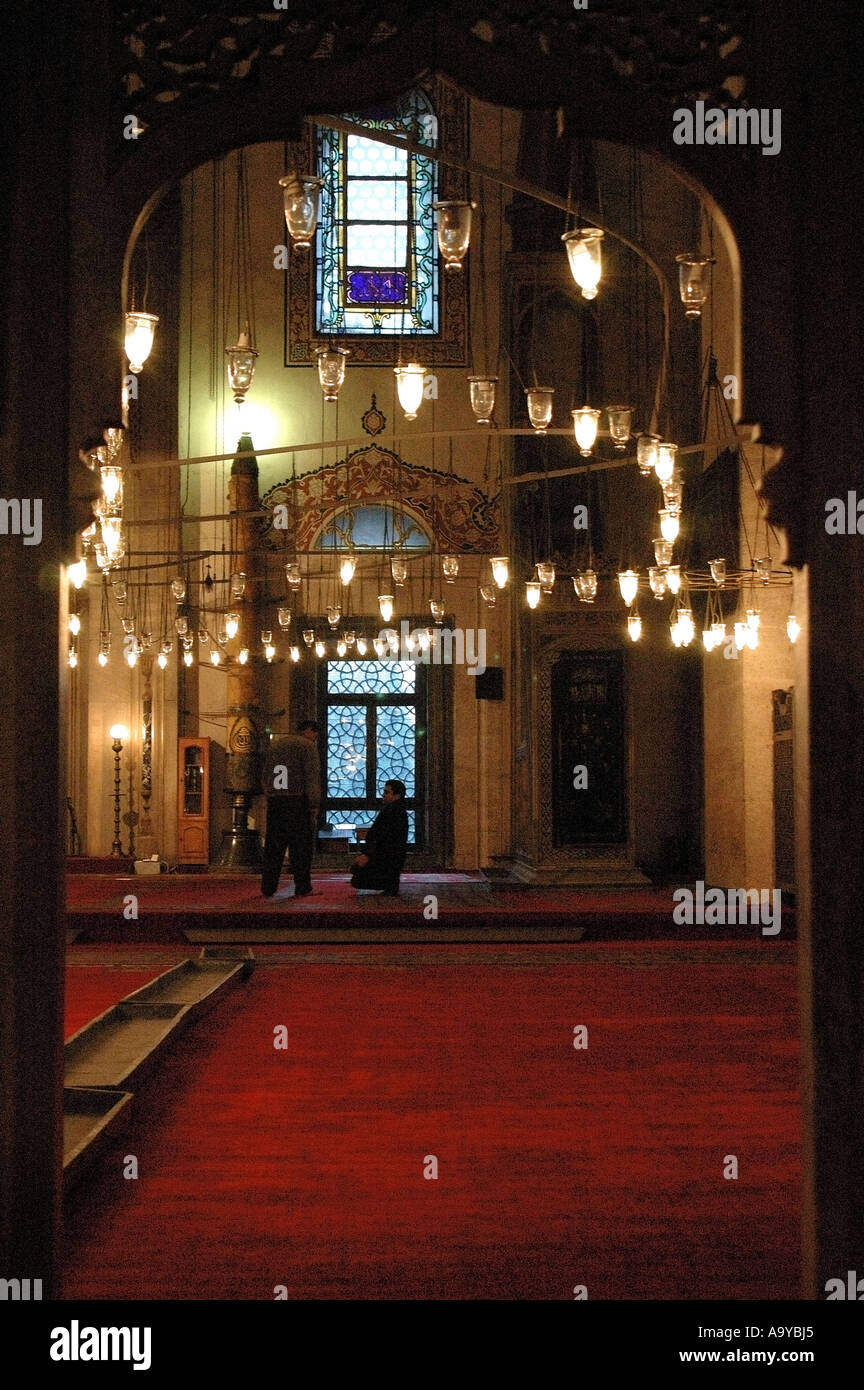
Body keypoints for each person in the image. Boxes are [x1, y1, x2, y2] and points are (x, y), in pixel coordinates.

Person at [260, 720, 321, 898]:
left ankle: (268, 887)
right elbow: (311, 777)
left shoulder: (275, 746)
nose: (315, 738)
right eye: (315, 734)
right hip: (297, 801)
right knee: (300, 847)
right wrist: (314, 804)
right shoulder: (307, 746)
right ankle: (303, 887)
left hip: (276, 801)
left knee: (274, 847)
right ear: (308, 731)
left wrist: (271, 794)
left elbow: (265, 775)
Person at [350, 779, 409, 897]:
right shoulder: (393, 810)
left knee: (357, 876)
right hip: (384, 856)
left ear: (397, 796)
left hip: (385, 858)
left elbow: (384, 839)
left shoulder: (394, 812)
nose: (383, 795)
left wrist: (367, 855)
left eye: (387, 792)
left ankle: (387, 884)